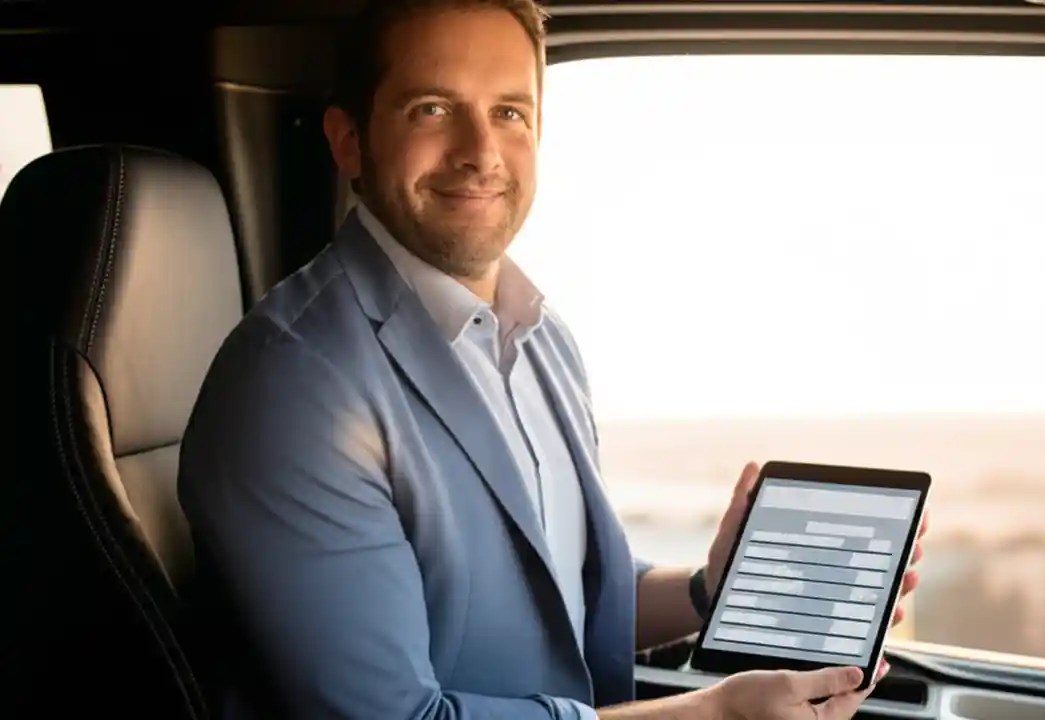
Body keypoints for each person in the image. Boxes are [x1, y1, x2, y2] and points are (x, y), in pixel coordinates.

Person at [176, 0, 926, 718]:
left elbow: (561, 596)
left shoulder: (537, 334)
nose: (479, 152)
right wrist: (714, 714)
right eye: (432, 109)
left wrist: (707, 588)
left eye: (510, 113)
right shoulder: (293, 384)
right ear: (350, 142)